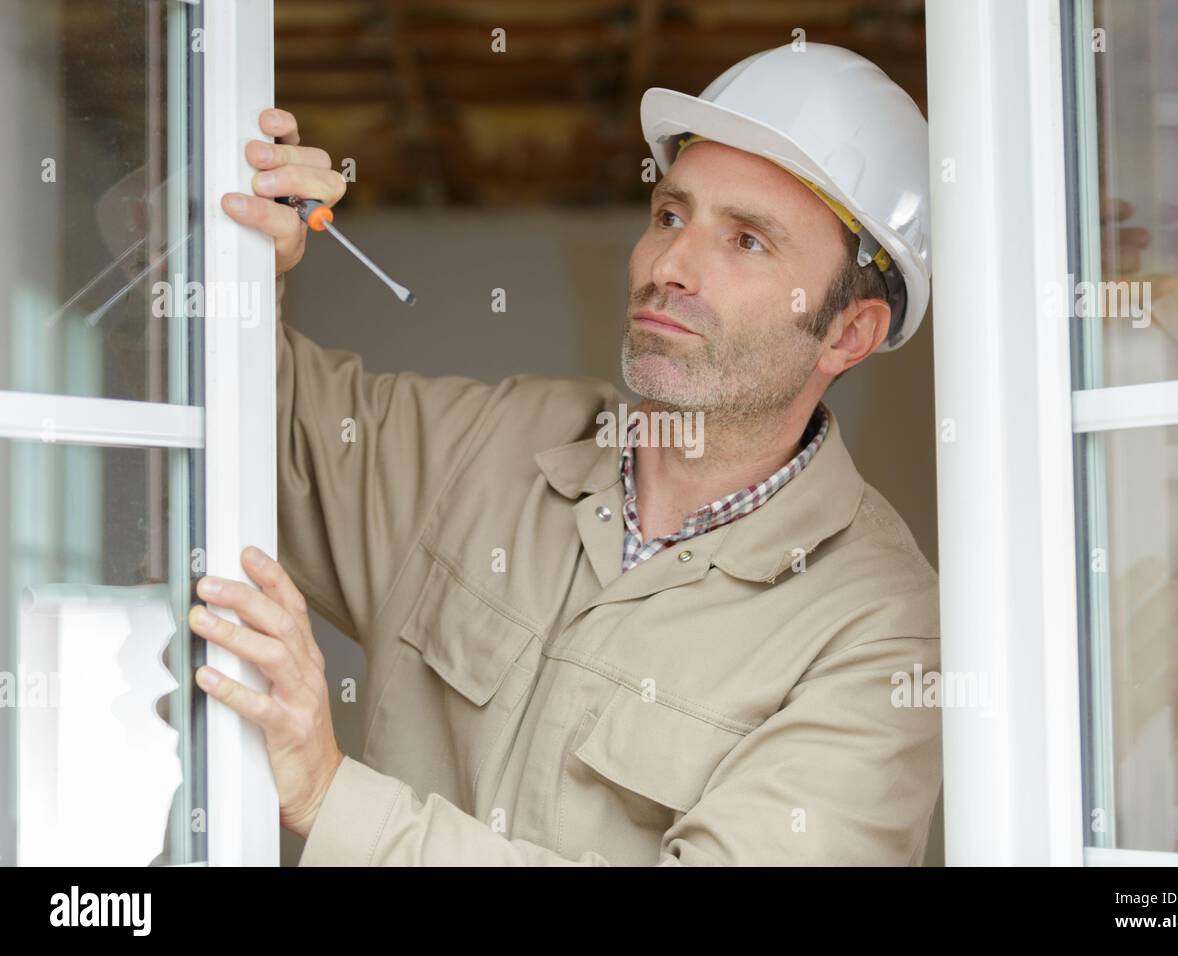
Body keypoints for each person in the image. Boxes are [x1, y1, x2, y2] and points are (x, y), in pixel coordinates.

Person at [192, 43, 943, 865]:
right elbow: (248, 421)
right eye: (670, 215)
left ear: (848, 331)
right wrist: (228, 251)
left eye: (748, 242)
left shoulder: (882, 632)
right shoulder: (495, 445)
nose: (671, 266)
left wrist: (334, 799)